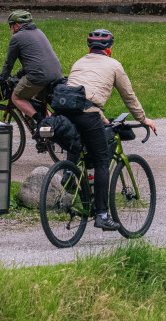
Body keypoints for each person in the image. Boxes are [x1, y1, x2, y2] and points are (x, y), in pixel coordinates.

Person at [62, 29, 157, 231]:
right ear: (110, 48)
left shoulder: (79, 62)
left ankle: (68, 174)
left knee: (77, 145)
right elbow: (128, 96)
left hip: (66, 113)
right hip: (89, 115)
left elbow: (79, 97)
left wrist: (101, 116)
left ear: (89, 47)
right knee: (101, 161)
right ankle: (102, 215)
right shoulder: (114, 65)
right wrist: (143, 119)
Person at [0, 10, 62, 124]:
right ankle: (49, 127)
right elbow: (33, 61)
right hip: (56, 73)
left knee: (16, 97)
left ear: (16, 25)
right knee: (38, 102)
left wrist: (1, 79)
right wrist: (18, 74)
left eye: (10, 26)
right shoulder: (39, 32)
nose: (10, 29)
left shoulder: (16, 38)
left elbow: (9, 64)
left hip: (39, 76)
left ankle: (41, 122)